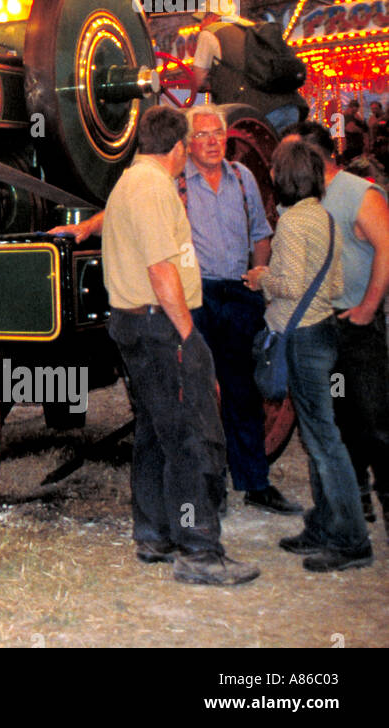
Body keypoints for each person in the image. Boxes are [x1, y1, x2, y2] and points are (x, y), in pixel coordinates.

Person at [53, 105, 301, 515]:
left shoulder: (243, 180)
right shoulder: (170, 180)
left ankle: (256, 482)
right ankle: (209, 491)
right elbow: (122, 211)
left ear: (227, 137)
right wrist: (84, 228)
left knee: (242, 391)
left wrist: (260, 277)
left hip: (238, 293)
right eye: (201, 135)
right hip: (191, 298)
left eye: (217, 134)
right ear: (185, 143)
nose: (210, 142)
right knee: (201, 398)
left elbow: (261, 233)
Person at [101, 105, 259, 585]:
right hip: (159, 327)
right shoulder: (151, 187)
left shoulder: (132, 181)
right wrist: (189, 335)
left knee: (154, 434)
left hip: (138, 324)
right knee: (191, 440)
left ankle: (154, 533)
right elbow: (160, 269)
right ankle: (198, 550)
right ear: (176, 149)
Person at [243, 140, 371, 571]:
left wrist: (263, 278)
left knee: (324, 443)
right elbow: (333, 284)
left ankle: (352, 540)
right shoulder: (327, 217)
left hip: (300, 337)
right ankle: (322, 526)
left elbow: (292, 284)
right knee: (320, 437)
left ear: (284, 178)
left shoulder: (296, 223)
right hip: (324, 331)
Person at [287, 120, 389, 535]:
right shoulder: (299, 198)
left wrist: (368, 307)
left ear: (313, 156)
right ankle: (352, 504)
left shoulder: (358, 193)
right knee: (338, 417)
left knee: (377, 422)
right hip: (321, 331)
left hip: (356, 330)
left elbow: (387, 248)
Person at [192, 9, 306, 133]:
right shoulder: (253, 30)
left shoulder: (210, 32)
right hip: (292, 107)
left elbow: (198, 81)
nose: (200, 26)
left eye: (202, 20)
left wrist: (213, 83)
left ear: (212, 16)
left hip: (256, 113)